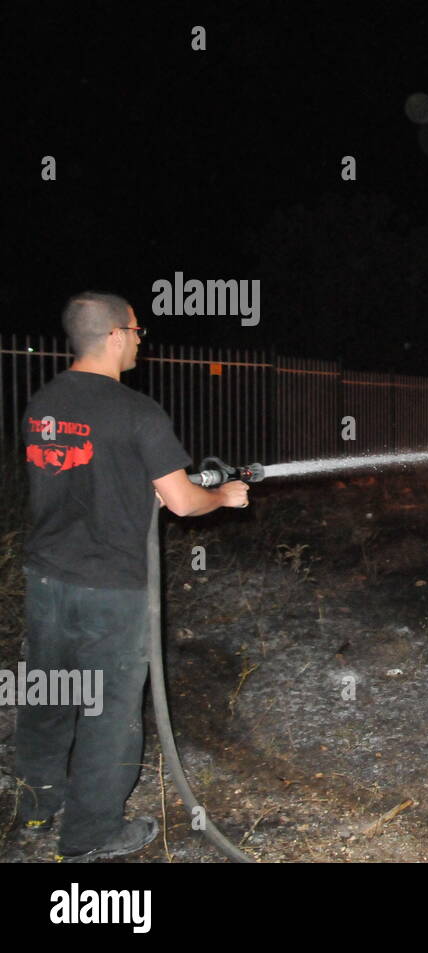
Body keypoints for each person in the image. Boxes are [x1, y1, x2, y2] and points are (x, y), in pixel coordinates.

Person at [17, 291, 249, 862]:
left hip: (46, 582)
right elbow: (182, 503)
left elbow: (85, 472)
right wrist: (223, 494)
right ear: (116, 334)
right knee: (109, 713)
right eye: (138, 330)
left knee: (47, 697)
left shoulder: (41, 404)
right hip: (112, 593)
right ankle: (90, 834)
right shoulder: (138, 411)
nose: (141, 340)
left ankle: (37, 805)